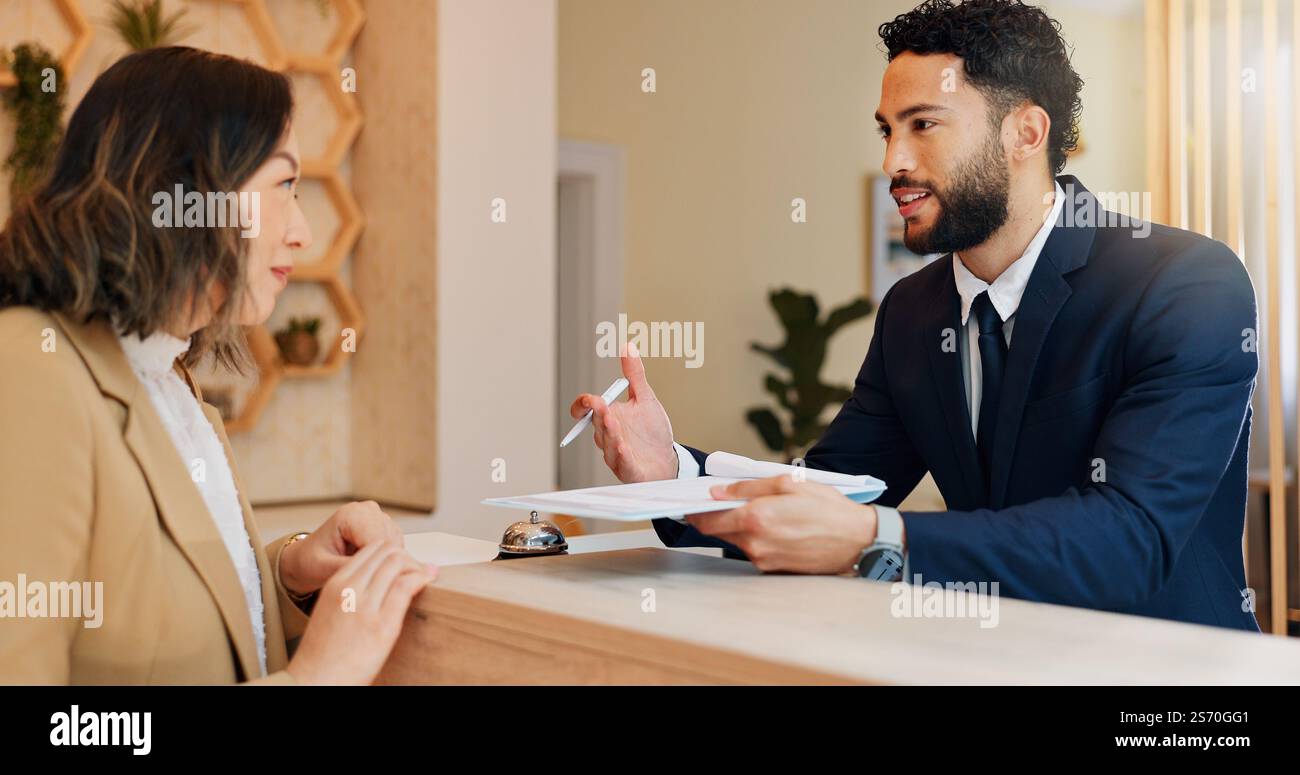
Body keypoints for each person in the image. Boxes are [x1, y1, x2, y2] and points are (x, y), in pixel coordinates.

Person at [571, 0, 1259, 631]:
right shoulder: (913, 308)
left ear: (1026, 131)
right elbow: (833, 486)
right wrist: (673, 474)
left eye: (923, 124)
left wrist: (879, 538)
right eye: (887, 130)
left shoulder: (1184, 283)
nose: (893, 160)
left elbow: (1130, 539)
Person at [0, 47, 437, 683]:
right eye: (284, 186)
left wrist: (286, 574)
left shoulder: (168, 378)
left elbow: (156, 613)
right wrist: (313, 679)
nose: (303, 232)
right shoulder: (29, 372)